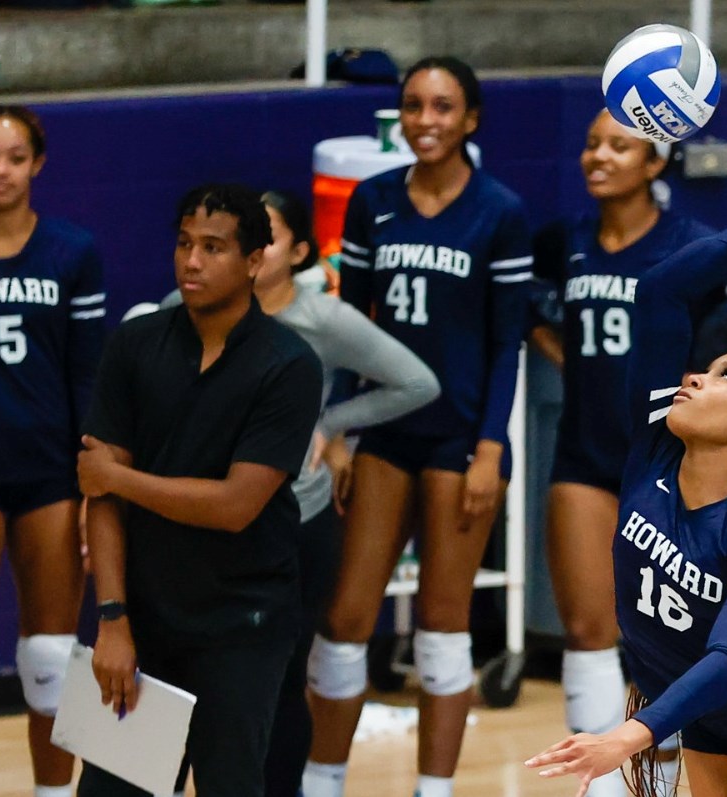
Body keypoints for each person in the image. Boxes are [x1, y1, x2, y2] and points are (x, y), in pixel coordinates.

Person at [526, 171, 727, 797]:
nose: (698, 378)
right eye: (704, 369)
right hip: (701, 707)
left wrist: (629, 735)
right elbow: (660, 290)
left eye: (725, 374)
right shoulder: (653, 444)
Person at [158, 188, 440, 797]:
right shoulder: (178, 314)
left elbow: (416, 382)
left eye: (269, 234)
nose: (202, 259)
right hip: (195, 526)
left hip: (294, 521)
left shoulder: (320, 321)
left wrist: (329, 423)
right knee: (175, 677)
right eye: (191, 245)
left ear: (297, 251)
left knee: (275, 681)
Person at [303, 55, 533, 797]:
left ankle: (433, 789)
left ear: (470, 119)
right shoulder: (372, 201)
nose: (424, 121)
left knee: (442, 620)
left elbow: (508, 343)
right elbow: (346, 327)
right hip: (387, 433)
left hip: (461, 437)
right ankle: (322, 781)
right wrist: (336, 427)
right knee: (346, 615)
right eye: (413, 106)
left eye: (441, 108)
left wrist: (491, 449)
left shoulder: (500, 210)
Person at [76, 183, 323, 797]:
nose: (191, 261)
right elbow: (99, 498)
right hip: (144, 621)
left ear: (254, 262)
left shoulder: (289, 365)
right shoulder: (134, 345)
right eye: (185, 244)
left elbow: (236, 506)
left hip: (244, 625)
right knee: (112, 792)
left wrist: (121, 479)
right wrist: (112, 619)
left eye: (213, 247)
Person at [0, 103, 104, 797]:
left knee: (51, 657)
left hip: (51, 471)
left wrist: (92, 485)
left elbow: (88, 374)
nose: (1, 170)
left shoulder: (71, 252)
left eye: (15, 157)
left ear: (38, 163)